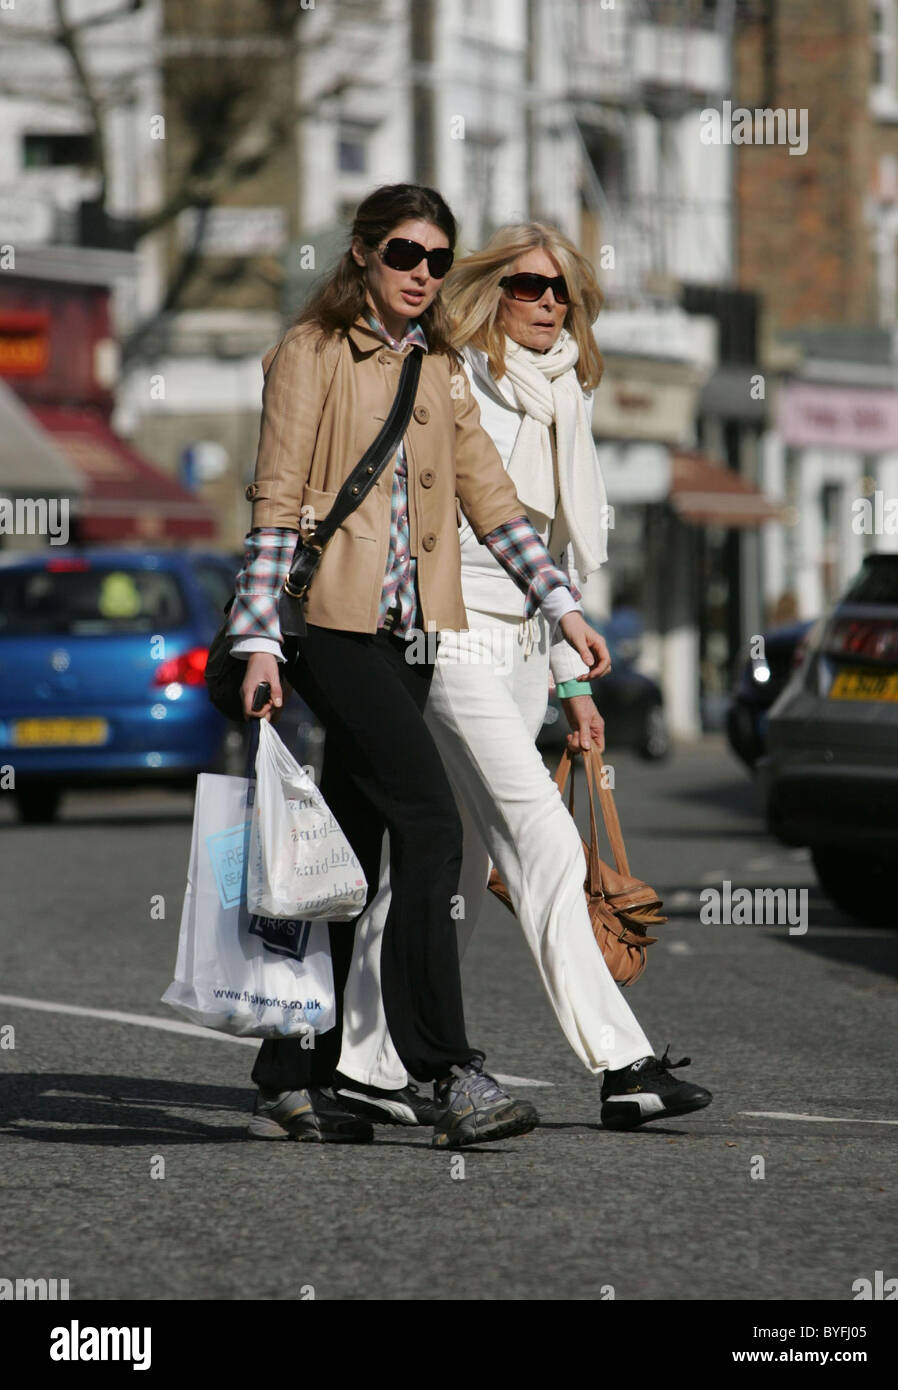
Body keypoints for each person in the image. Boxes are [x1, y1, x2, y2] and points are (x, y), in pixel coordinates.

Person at [225, 186, 612, 1150]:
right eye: (403, 253)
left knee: (351, 858)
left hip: (406, 634)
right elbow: (276, 500)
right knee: (433, 827)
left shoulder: (439, 367)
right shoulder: (309, 354)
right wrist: (262, 639)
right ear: (360, 253)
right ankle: (447, 1071)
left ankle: (296, 1072)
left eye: (438, 260)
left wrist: (560, 603)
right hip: (326, 629)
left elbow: (493, 499)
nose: (421, 275)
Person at [330, 223, 713, 1132]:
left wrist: (571, 684)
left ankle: (364, 1064)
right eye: (529, 286)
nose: (549, 305)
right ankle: (623, 1063)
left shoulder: (561, 397)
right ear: (488, 290)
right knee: (540, 837)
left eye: (564, 293)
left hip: (524, 648)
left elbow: (549, 553)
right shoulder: (453, 376)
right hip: (449, 637)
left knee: (443, 867)